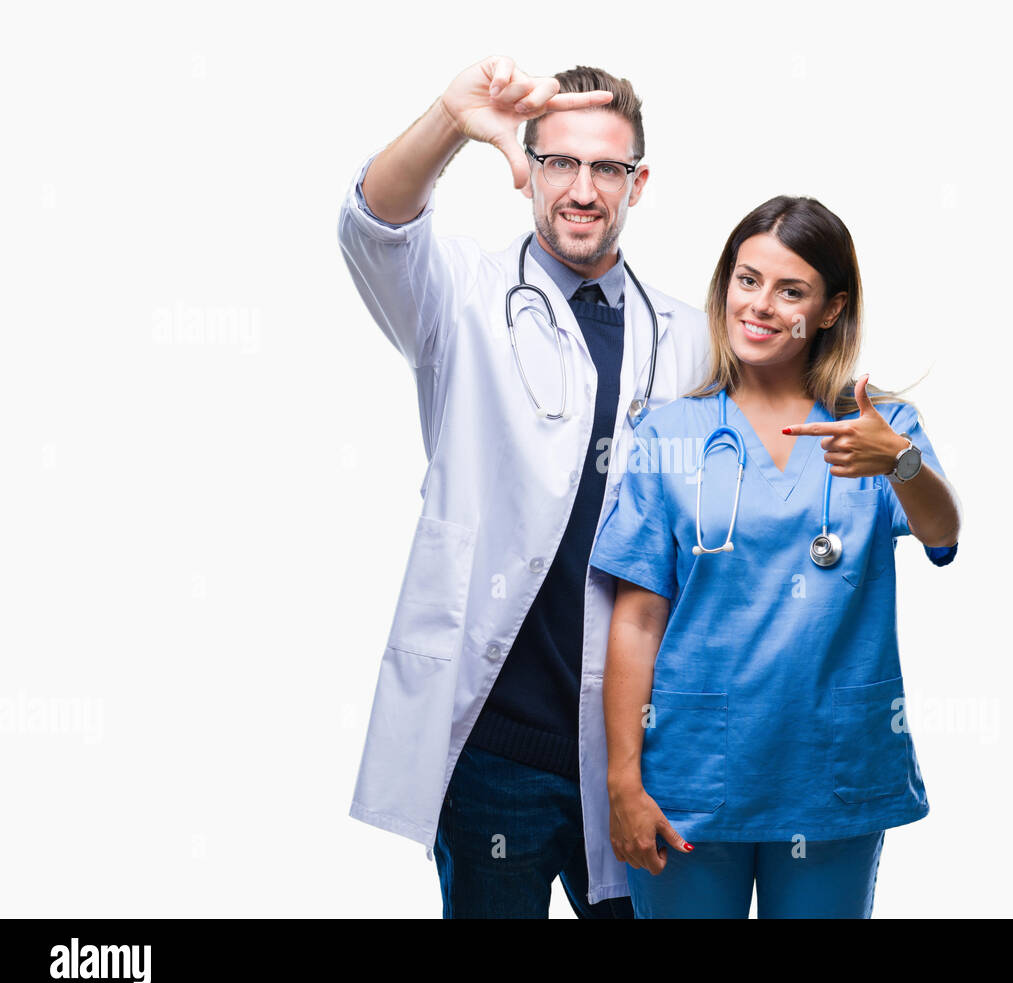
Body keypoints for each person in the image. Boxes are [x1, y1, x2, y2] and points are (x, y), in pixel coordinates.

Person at [337, 55, 710, 918]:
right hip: (497, 754)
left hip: (634, 756)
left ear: (638, 183)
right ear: (528, 172)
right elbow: (374, 227)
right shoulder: (460, 297)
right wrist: (449, 117)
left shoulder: (687, 339)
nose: (582, 189)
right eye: (560, 163)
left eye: (606, 168)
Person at [588, 195, 962, 918]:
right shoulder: (670, 432)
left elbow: (943, 533)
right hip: (690, 775)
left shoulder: (880, 429)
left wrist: (902, 463)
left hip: (829, 769)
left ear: (830, 309)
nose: (760, 305)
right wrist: (623, 782)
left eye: (791, 290)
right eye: (747, 279)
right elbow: (636, 620)